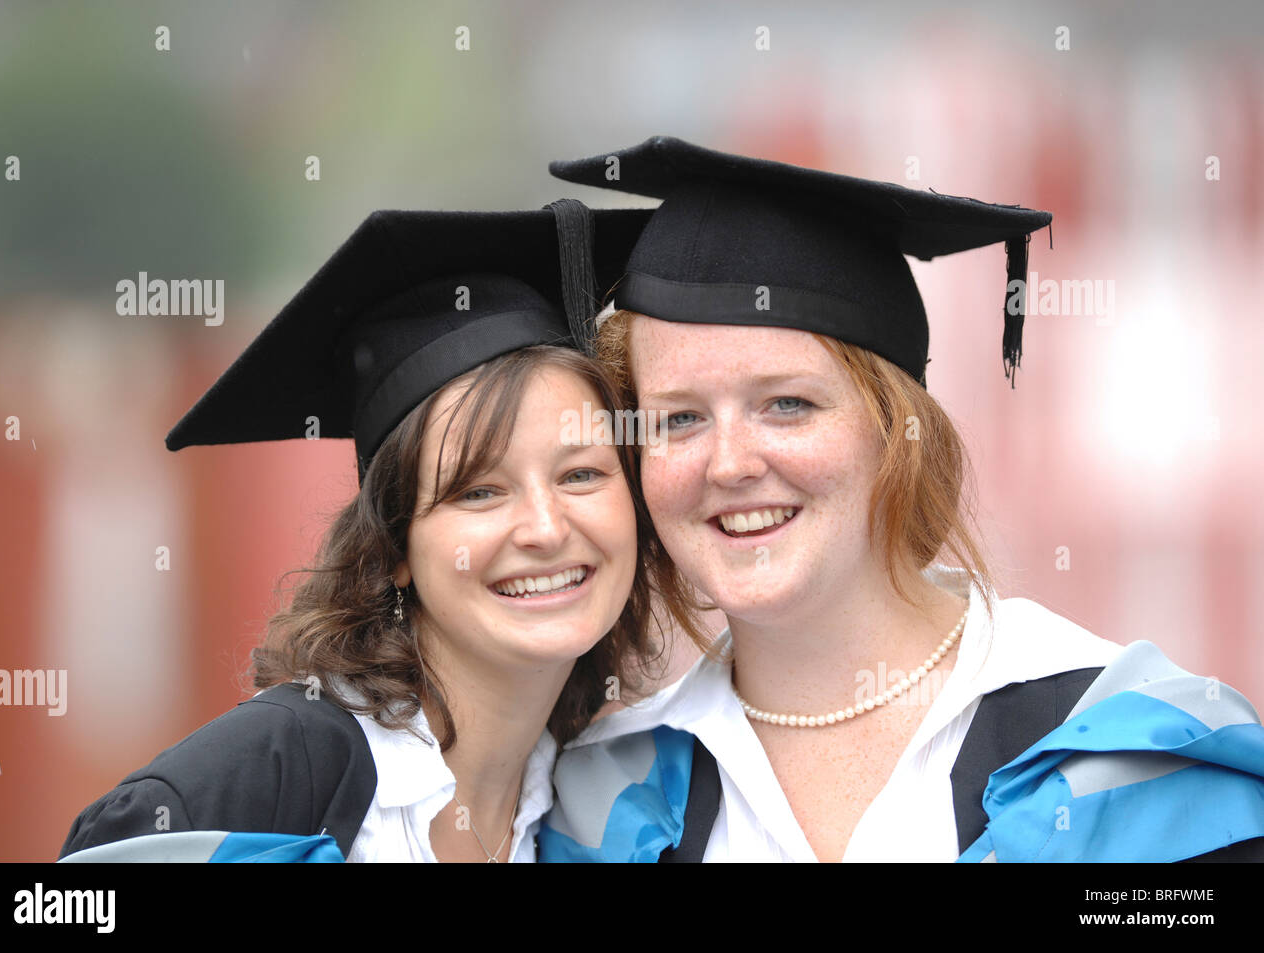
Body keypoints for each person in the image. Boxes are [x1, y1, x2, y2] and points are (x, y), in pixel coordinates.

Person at [537, 137, 1264, 863]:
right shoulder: (602, 806)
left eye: (787, 404)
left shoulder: (1130, 750)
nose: (728, 463)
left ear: (896, 431)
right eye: (679, 419)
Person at [58, 202, 703, 863]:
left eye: (581, 474)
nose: (545, 526)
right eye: (480, 491)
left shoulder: (603, 812)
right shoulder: (256, 791)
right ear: (394, 549)